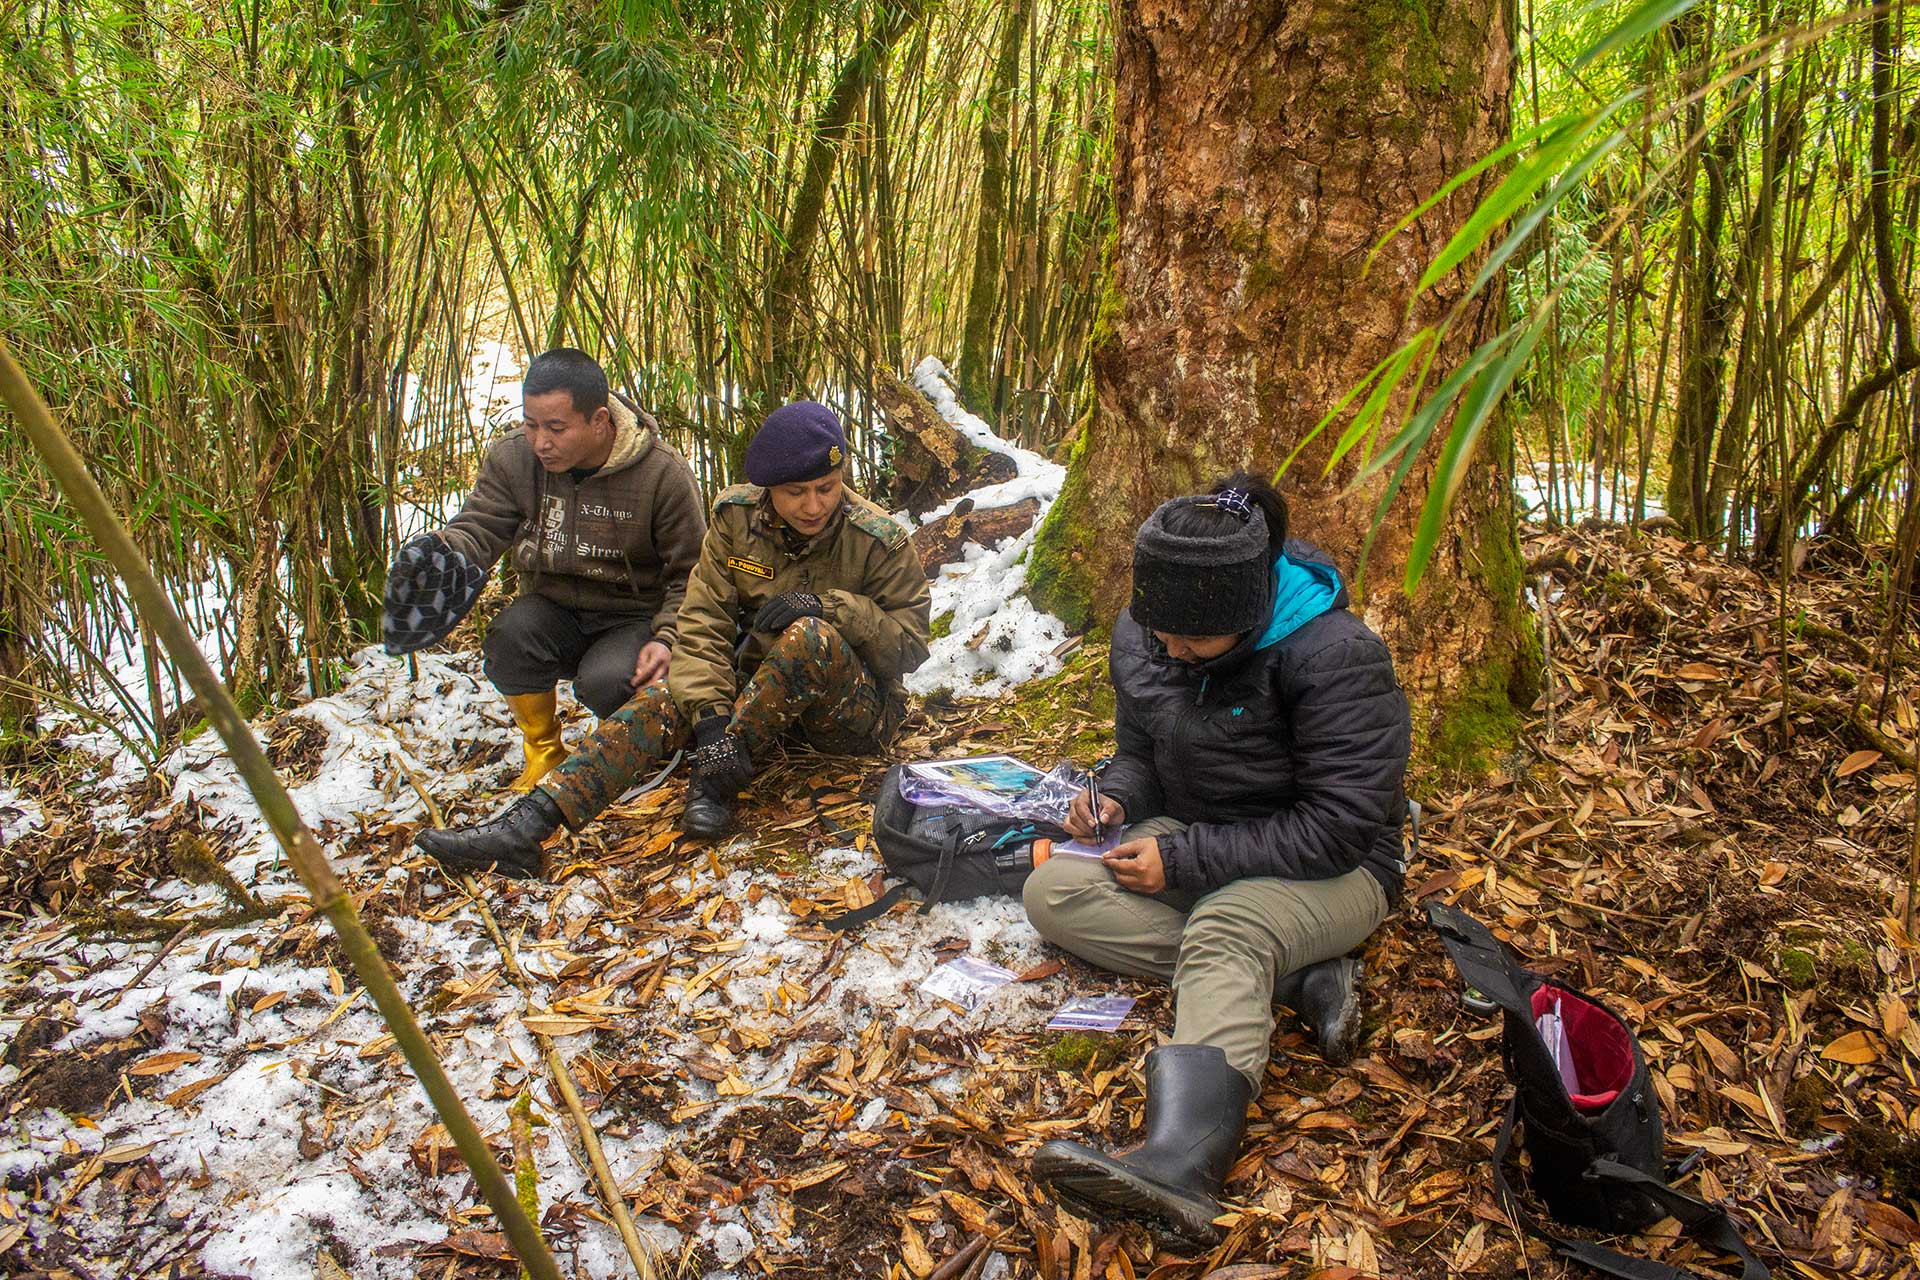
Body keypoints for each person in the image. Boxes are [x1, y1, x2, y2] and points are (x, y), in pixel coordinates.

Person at [1024, 474, 1410, 1243]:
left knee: (1229, 926)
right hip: (1203, 827)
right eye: (1158, 632)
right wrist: (1116, 800)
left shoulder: (1336, 655)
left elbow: (1340, 825)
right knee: (1054, 890)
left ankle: (1184, 1166)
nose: (1169, 651)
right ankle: (1294, 978)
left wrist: (1183, 860)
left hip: (1342, 865)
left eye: (1191, 643)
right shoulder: (1148, 632)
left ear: (1247, 613)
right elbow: (1140, 753)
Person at [415, 401, 932, 877]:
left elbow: (910, 648)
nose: (814, 505)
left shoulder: (878, 539)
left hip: (850, 718)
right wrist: (710, 721)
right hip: (760, 703)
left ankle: (711, 782)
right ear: (769, 489)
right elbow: (703, 622)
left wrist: (833, 608)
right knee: (665, 696)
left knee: (809, 637)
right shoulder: (736, 520)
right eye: (796, 492)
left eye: (827, 488)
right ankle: (528, 825)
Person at [381, 348, 706, 793]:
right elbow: (481, 525)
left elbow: (692, 572)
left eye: (556, 428)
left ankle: (641, 753)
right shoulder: (514, 459)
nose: (540, 442)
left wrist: (668, 638)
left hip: (634, 617)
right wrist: (448, 553)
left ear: (599, 420)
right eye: (530, 424)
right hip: (554, 610)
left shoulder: (661, 473)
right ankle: (544, 753)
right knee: (509, 637)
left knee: (609, 681)